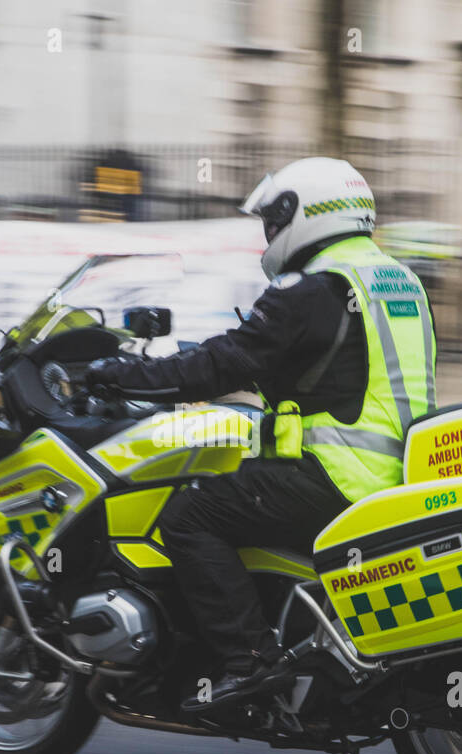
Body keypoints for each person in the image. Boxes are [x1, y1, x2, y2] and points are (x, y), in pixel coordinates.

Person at [85, 157, 438, 711]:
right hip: (398, 476)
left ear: (305, 215)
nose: (267, 235)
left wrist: (124, 375)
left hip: (336, 477)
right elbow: (323, 363)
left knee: (190, 516)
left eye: (272, 220)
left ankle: (248, 662)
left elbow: (224, 364)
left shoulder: (310, 288)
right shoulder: (398, 279)